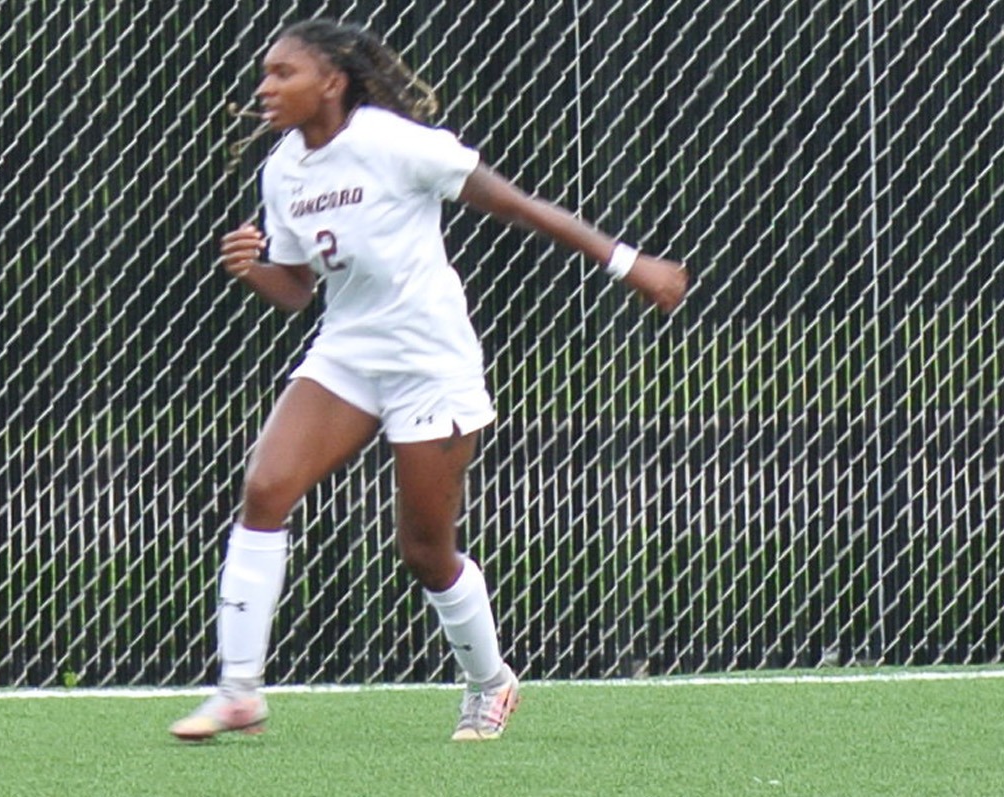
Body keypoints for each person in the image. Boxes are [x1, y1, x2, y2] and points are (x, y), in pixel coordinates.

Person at [170, 18, 688, 743]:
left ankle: (491, 681)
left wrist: (629, 264)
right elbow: (295, 290)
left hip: (429, 360)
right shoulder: (284, 168)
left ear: (332, 81)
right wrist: (251, 267)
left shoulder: (394, 143)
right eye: (265, 74)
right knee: (265, 488)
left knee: (423, 550)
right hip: (348, 352)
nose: (266, 87)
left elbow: (519, 205)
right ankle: (238, 692)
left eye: (283, 73)